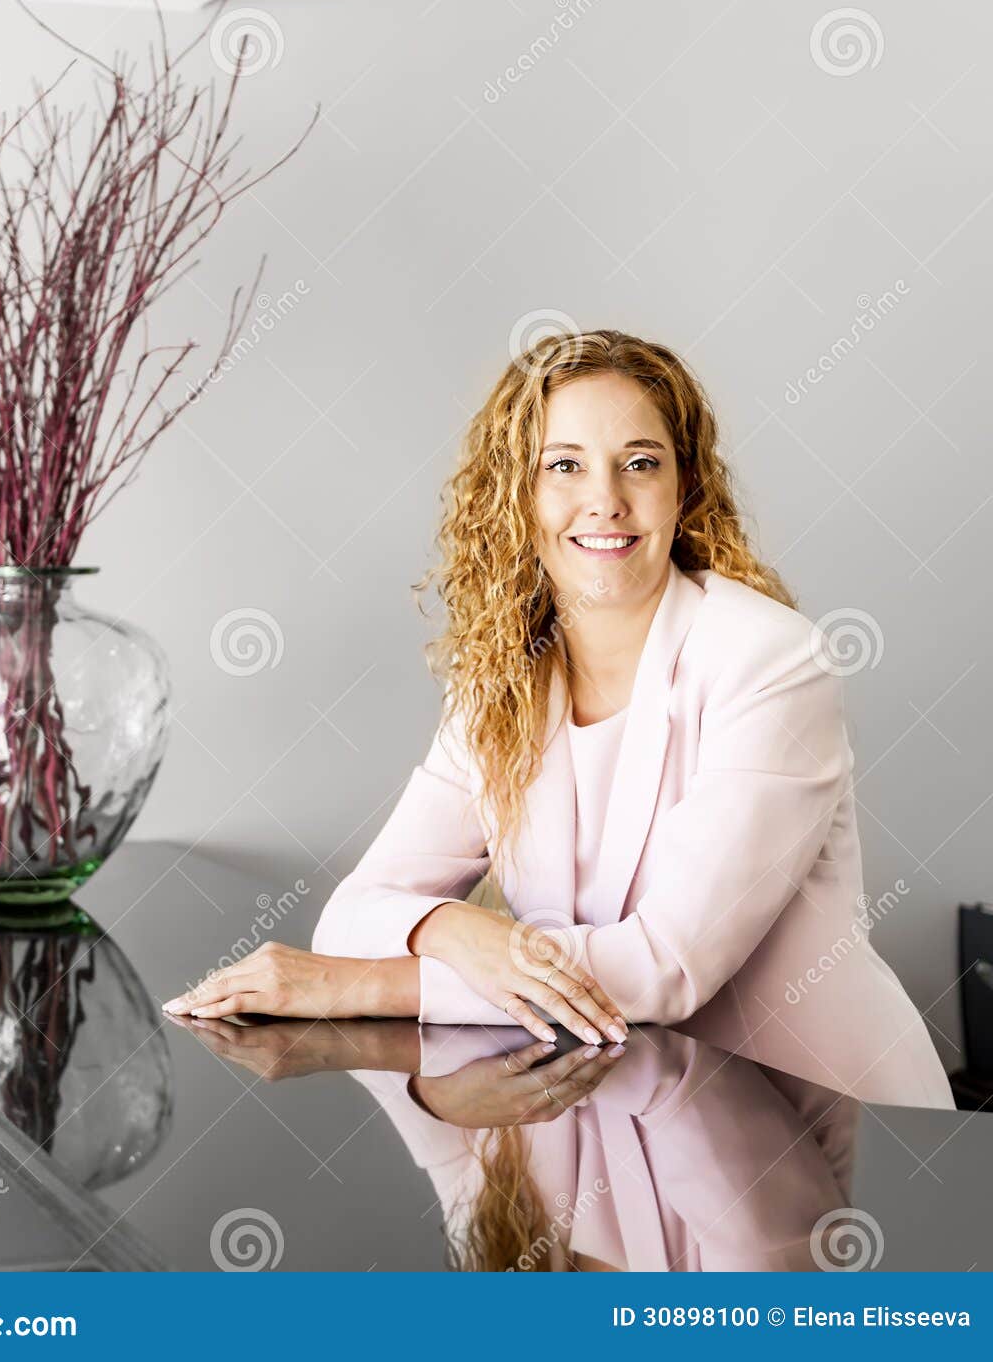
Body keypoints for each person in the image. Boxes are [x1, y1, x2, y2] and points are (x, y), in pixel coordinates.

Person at [163, 329, 952, 1109]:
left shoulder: (770, 660)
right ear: (518, 495)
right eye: (563, 466)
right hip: (619, 1107)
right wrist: (459, 929)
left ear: (685, 488)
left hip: (805, 1127)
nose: (603, 500)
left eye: (639, 463)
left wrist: (361, 985)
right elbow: (354, 913)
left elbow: (665, 967)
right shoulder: (500, 680)